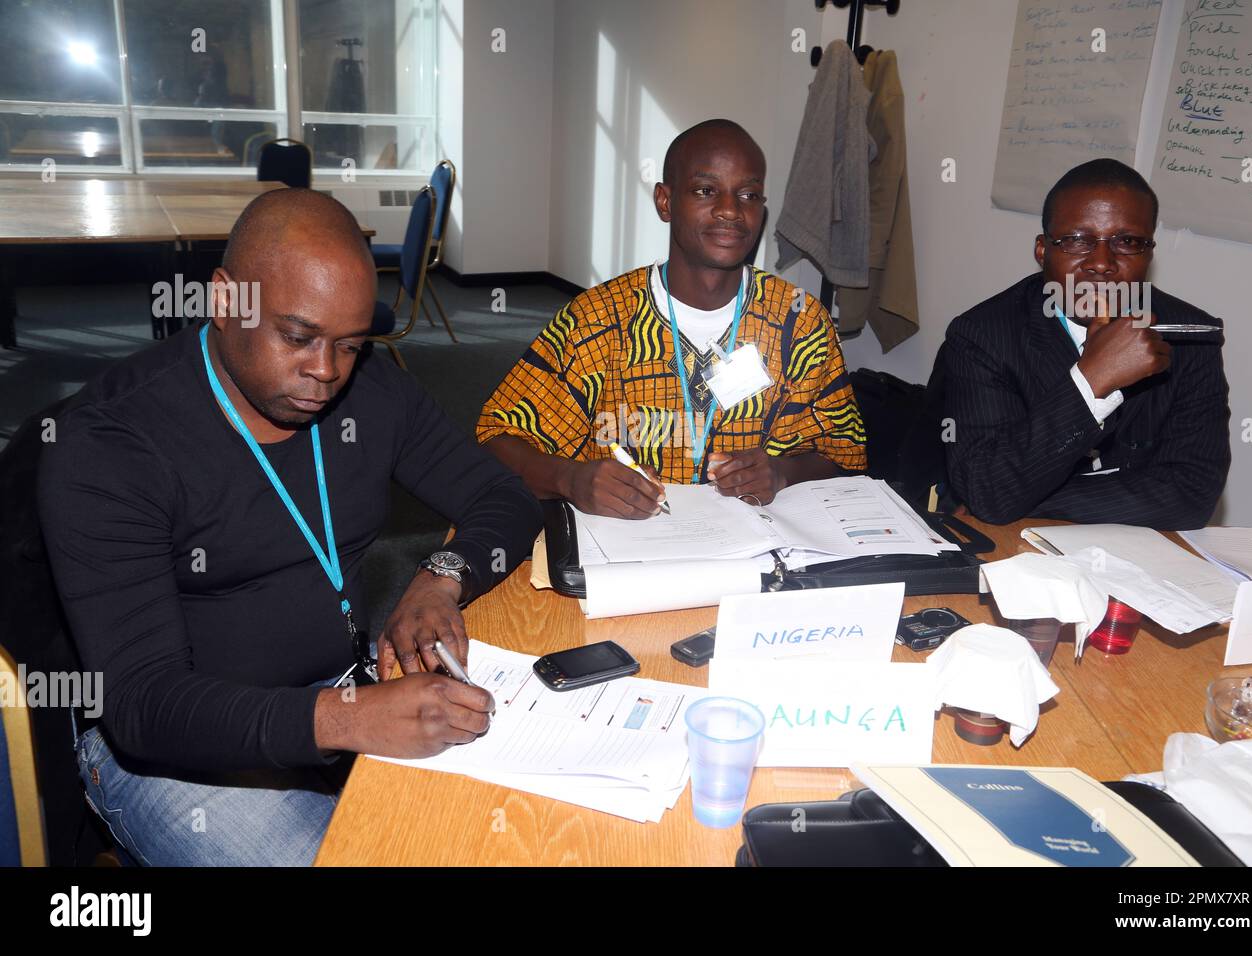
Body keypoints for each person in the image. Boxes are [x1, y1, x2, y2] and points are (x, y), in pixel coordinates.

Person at [38, 189, 542, 866]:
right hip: (170, 752)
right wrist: (345, 720)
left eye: (351, 344)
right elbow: (141, 704)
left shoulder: (371, 390)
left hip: (337, 689)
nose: (326, 373)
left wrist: (441, 578)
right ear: (224, 302)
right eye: (297, 337)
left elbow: (505, 497)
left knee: (493, 831)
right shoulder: (111, 444)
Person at [478, 119, 866, 518]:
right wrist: (571, 480)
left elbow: (846, 453)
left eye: (748, 195)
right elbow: (496, 438)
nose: (731, 210)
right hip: (626, 554)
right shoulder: (596, 319)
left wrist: (782, 473)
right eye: (705, 191)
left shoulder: (798, 323)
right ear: (665, 201)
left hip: (757, 557)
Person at [941, 159, 1230, 530]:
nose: (1101, 263)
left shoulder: (1191, 335)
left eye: (1127, 242)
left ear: (1149, 254)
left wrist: (1026, 497)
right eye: (1078, 240)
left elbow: (1193, 495)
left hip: (1139, 556)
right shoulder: (982, 335)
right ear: (1043, 250)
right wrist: (1091, 380)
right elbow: (989, 487)